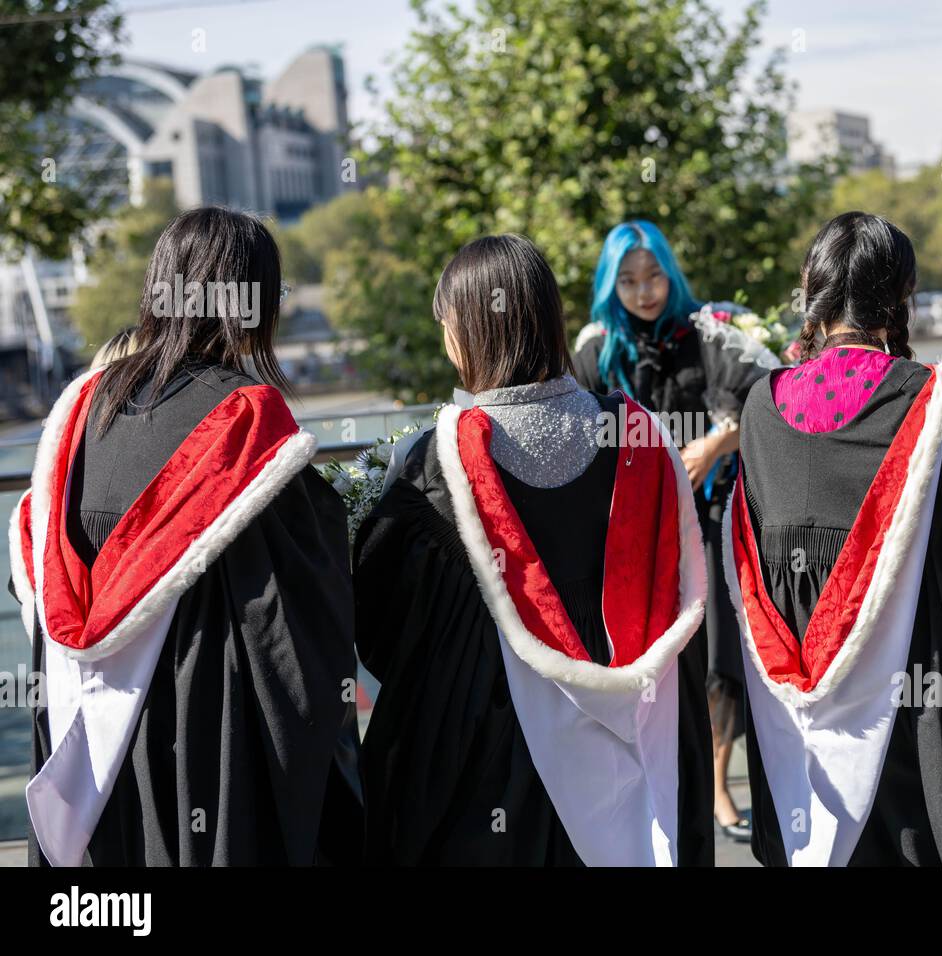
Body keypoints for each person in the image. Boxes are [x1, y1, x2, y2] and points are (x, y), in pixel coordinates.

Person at [9, 207, 362, 866]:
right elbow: (292, 610)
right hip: (198, 732)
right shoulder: (245, 418)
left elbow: (37, 550)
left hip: (84, 733)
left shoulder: (85, 405)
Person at [354, 234, 713, 866]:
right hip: (634, 757)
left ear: (464, 330)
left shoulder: (431, 463)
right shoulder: (639, 435)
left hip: (486, 770)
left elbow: (385, 636)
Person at [722, 211, 942, 866]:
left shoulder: (760, 405)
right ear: (901, 295)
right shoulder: (933, 399)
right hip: (920, 693)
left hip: (804, 712)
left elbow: (753, 566)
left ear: (813, 288)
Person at [572, 219, 777, 841]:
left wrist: (713, 446)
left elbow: (765, 399)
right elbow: (574, 434)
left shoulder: (707, 331)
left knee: (719, 656)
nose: (644, 291)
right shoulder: (594, 347)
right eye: (629, 280)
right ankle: (644, 781)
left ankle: (715, 787)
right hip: (630, 533)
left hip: (707, 516)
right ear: (612, 285)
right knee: (644, 658)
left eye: (654, 275)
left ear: (671, 272)